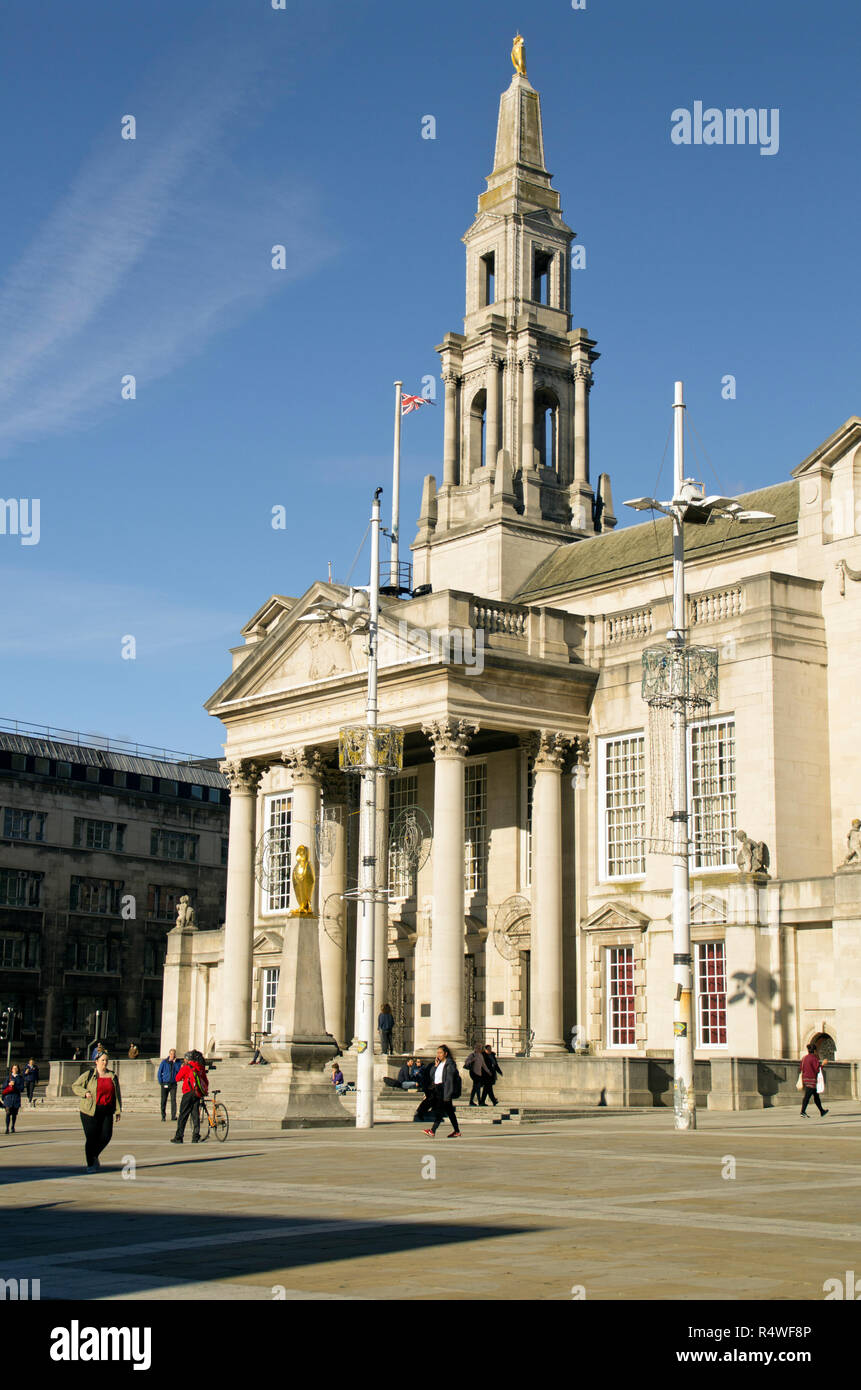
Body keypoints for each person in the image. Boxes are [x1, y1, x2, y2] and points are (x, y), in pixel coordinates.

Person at [71, 1051, 122, 1171]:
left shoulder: (112, 1076)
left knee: (106, 1136)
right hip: (89, 1111)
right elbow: (75, 1086)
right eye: (102, 1060)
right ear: (96, 1061)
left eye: (106, 1060)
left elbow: (117, 1094)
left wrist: (118, 1110)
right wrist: (85, 1093)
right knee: (91, 1138)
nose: (105, 1062)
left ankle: (93, 1156)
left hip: (107, 1110)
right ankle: (90, 1164)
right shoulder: (89, 1074)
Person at [423, 1044, 461, 1138]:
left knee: (440, 1110)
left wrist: (447, 1094)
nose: (438, 1054)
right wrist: (435, 1066)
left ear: (446, 1053)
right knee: (450, 1111)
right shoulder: (440, 1064)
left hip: (445, 1089)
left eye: (440, 1053)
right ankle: (457, 1131)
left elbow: (449, 1080)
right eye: (437, 1053)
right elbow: (433, 1076)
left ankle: (432, 1130)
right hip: (438, 1089)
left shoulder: (449, 1064)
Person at [172, 1050, 208, 1144]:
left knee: (183, 1115)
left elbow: (177, 1078)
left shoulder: (187, 1067)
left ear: (188, 1059)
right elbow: (205, 1080)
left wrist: (182, 1069)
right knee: (195, 1114)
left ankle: (179, 1137)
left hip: (188, 1092)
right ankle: (195, 1136)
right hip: (197, 1093)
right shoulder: (200, 1067)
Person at [800, 1042, 829, 1118]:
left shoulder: (804, 1058)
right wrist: (823, 1064)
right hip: (812, 1081)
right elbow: (817, 1069)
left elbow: (801, 1068)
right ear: (815, 1050)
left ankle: (822, 1111)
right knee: (807, 1097)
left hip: (806, 1079)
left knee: (816, 1096)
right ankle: (802, 1112)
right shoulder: (814, 1058)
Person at [157, 1048, 181, 1122]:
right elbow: (159, 1072)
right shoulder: (164, 1062)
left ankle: (173, 1116)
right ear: (169, 1054)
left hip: (173, 1084)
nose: (172, 1055)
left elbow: (179, 1071)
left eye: (173, 1054)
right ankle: (163, 1116)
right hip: (165, 1083)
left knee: (173, 1100)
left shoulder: (177, 1062)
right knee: (163, 1100)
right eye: (171, 1054)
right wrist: (161, 1082)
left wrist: (174, 1063)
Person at [2, 1065, 24, 1134]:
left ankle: (12, 1126)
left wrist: (15, 1086)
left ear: (18, 1069)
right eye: (13, 1068)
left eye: (16, 1068)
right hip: (8, 1097)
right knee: (8, 1113)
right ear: (11, 1069)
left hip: (16, 1097)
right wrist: (8, 1084)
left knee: (14, 1114)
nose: (14, 1069)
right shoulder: (8, 1077)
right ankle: (7, 1128)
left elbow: (22, 1088)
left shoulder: (20, 1078)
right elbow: (3, 1086)